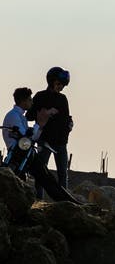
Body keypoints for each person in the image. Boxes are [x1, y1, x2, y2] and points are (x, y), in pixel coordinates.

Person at [2, 87, 77, 203]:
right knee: (45, 179)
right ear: (23, 101)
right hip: (18, 154)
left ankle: (69, 202)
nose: (32, 102)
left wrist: (40, 125)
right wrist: (39, 124)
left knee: (48, 178)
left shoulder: (20, 116)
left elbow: (32, 138)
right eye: (30, 100)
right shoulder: (13, 116)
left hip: (25, 154)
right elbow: (26, 138)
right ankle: (66, 202)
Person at [26, 66, 73, 199]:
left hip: (61, 142)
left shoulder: (63, 99)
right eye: (58, 84)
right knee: (41, 172)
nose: (61, 87)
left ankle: (64, 202)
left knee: (62, 173)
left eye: (63, 85)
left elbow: (65, 117)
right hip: (44, 140)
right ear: (51, 81)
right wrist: (45, 112)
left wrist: (69, 125)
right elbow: (29, 115)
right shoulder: (40, 96)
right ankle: (38, 199)